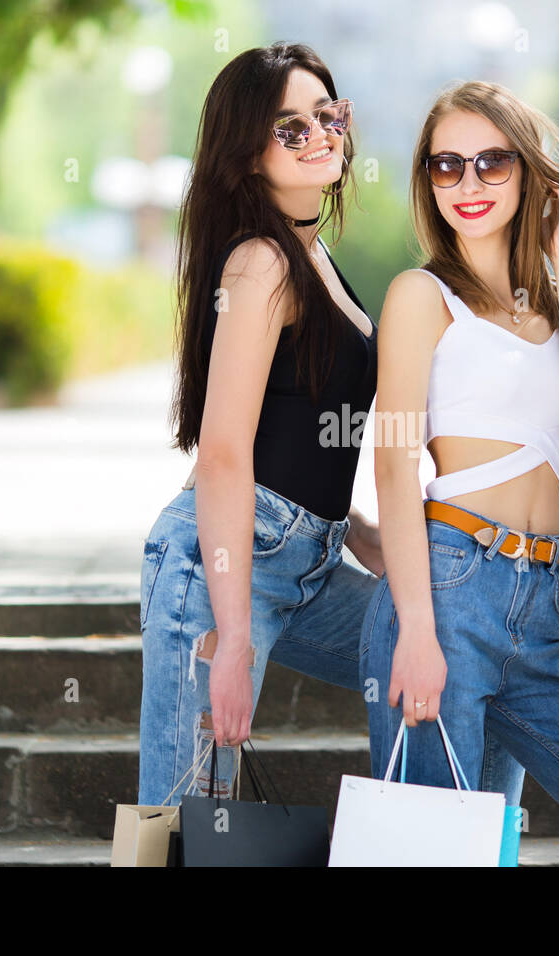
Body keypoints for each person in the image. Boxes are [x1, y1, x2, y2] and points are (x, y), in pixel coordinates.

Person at [362, 80, 559, 833]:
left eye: (493, 162)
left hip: (541, 601)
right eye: (446, 166)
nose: (469, 183)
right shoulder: (421, 295)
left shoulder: (557, 302)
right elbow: (394, 467)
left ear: (528, 171)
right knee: (440, 848)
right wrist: (417, 632)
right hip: (450, 586)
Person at [138, 43, 384, 803]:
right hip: (219, 567)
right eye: (289, 128)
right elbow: (223, 454)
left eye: (327, 114)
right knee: (188, 815)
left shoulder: (317, 259)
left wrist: (396, 554)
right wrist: (234, 639)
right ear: (246, 155)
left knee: (454, 648)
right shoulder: (261, 263)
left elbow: (305, 448)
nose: (319, 134)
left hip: (311, 563)